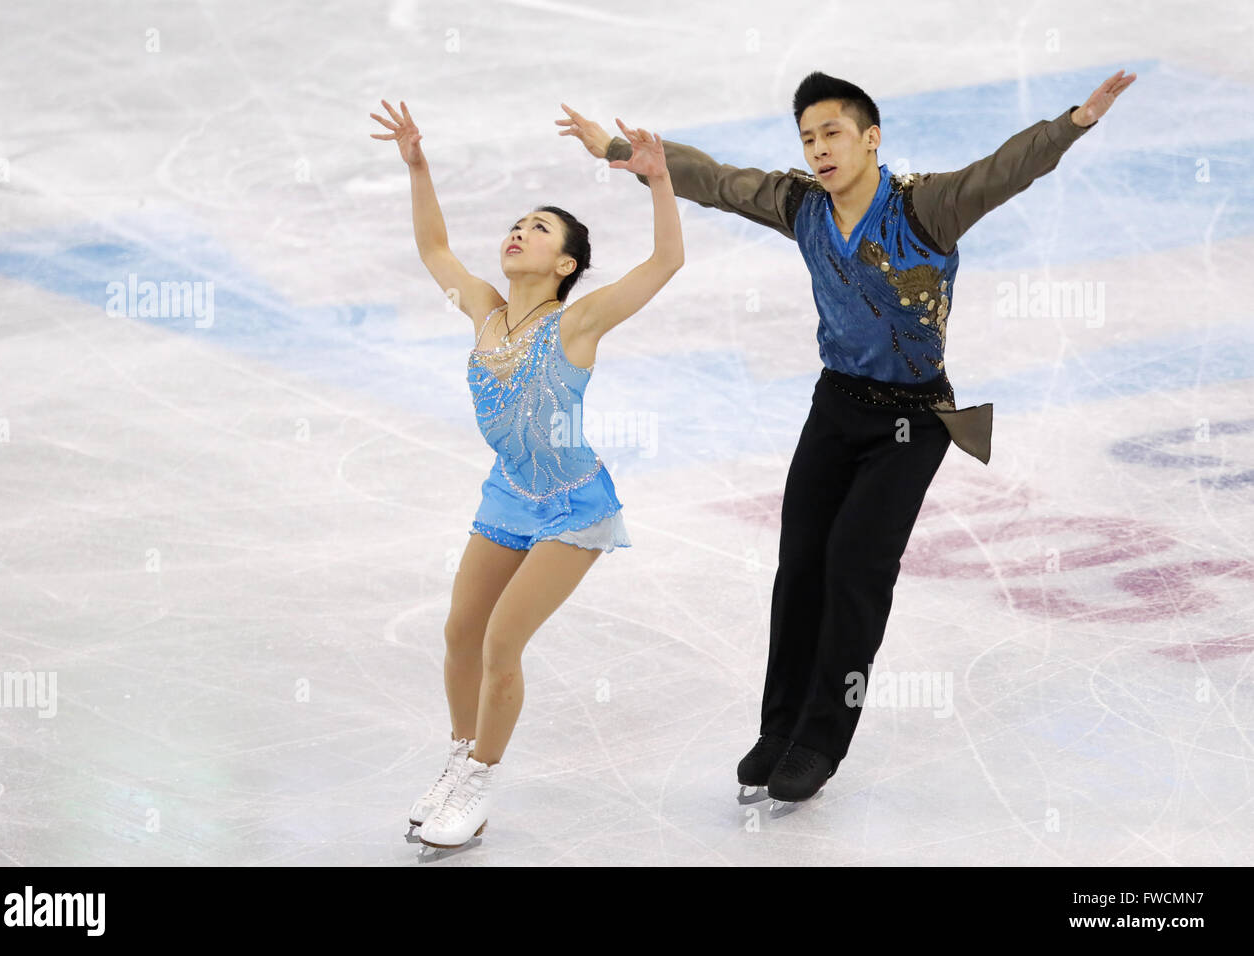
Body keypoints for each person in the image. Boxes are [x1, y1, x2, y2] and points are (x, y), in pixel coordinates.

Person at [559, 68, 1135, 803]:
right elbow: (723, 182)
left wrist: (1074, 121)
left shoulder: (925, 206)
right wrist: (628, 153)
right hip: (835, 406)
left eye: (832, 133)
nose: (819, 150)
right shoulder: (801, 204)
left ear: (871, 138)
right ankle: (779, 729)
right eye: (808, 139)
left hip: (913, 422)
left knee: (855, 568)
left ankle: (821, 740)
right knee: (801, 565)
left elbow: (1001, 172)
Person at [370, 99, 684, 848]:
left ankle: (479, 783)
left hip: (573, 506)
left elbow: (665, 263)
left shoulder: (577, 321)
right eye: (517, 224)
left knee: (501, 644)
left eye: (540, 228)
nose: (519, 232)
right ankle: (458, 759)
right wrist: (418, 165)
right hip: (509, 493)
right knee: (460, 634)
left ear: (565, 264)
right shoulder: (482, 309)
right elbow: (434, 246)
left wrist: (659, 179)